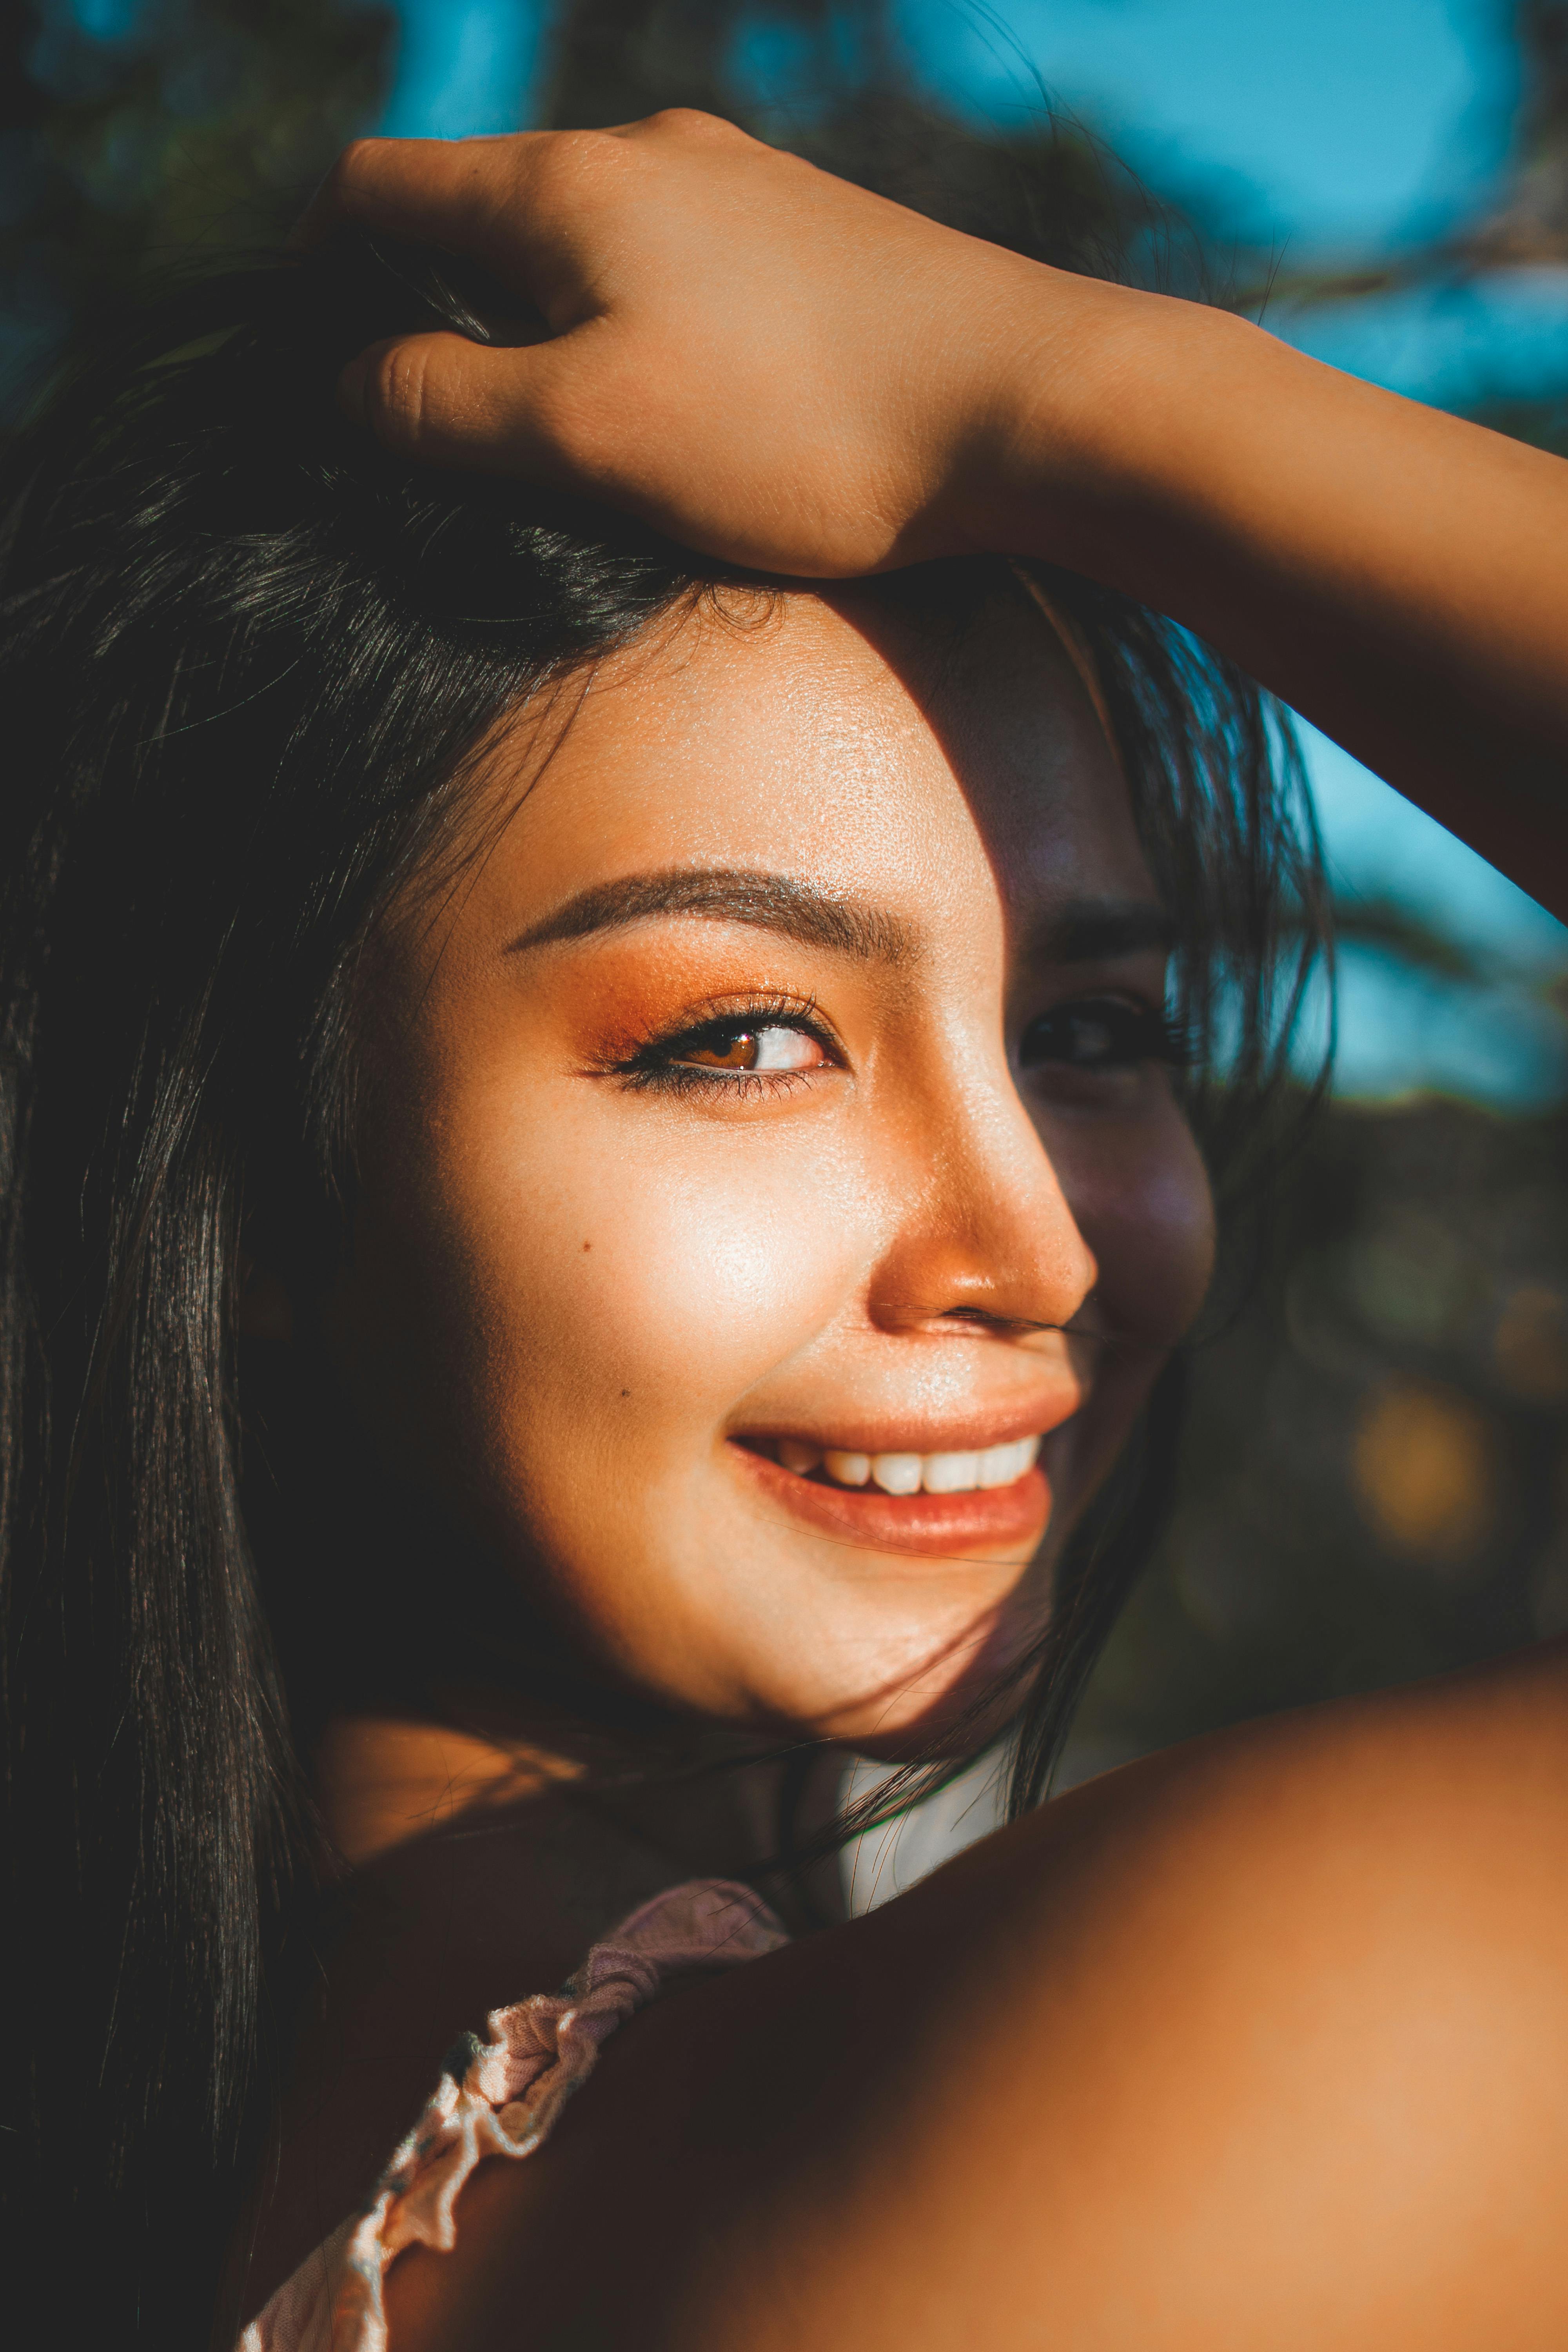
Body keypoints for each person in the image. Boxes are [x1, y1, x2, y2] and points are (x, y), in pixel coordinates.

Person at [3, 105, 1566, 2350]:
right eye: (743, 1038)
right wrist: (1077, 393)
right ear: (240, 1171)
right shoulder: (1141, 2097)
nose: (1034, 1245)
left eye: (1099, 1028)